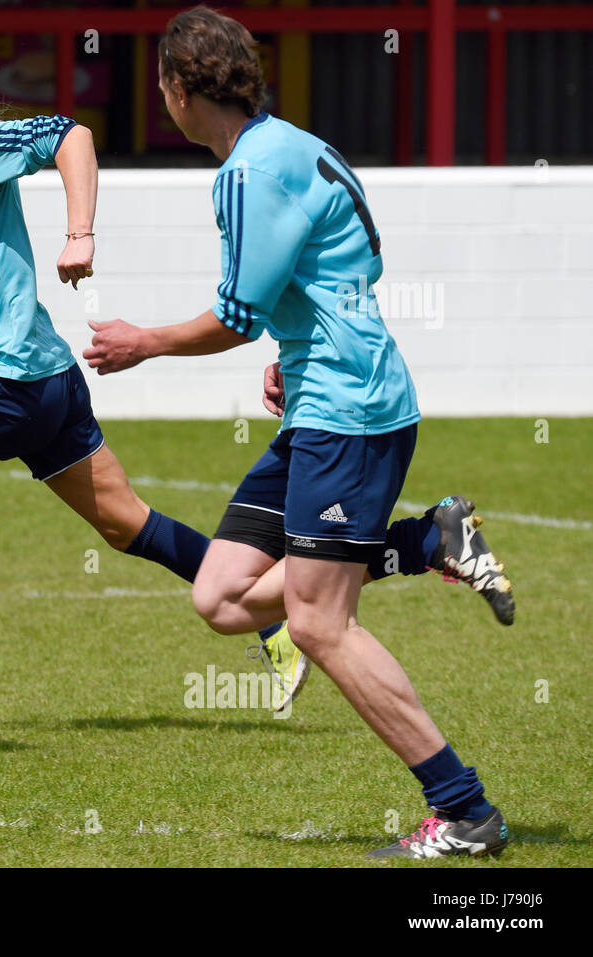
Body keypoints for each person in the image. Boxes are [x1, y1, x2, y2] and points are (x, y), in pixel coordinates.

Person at [83, 6, 512, 858]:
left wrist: (147, 343)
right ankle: (429, 539)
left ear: (174, 90)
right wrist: (298, 339)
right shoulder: (297, 143)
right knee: (223, 594)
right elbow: (358, 257)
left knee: (319, 623)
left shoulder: (247, 171)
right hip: (331, 402)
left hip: (348, 414)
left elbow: (238, 314)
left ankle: (465, 811)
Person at [0, 34, 297, 681]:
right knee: (127, 526)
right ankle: (277, 621)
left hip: (10, 384)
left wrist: (79, 234)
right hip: (46, 382)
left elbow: (69, 135)